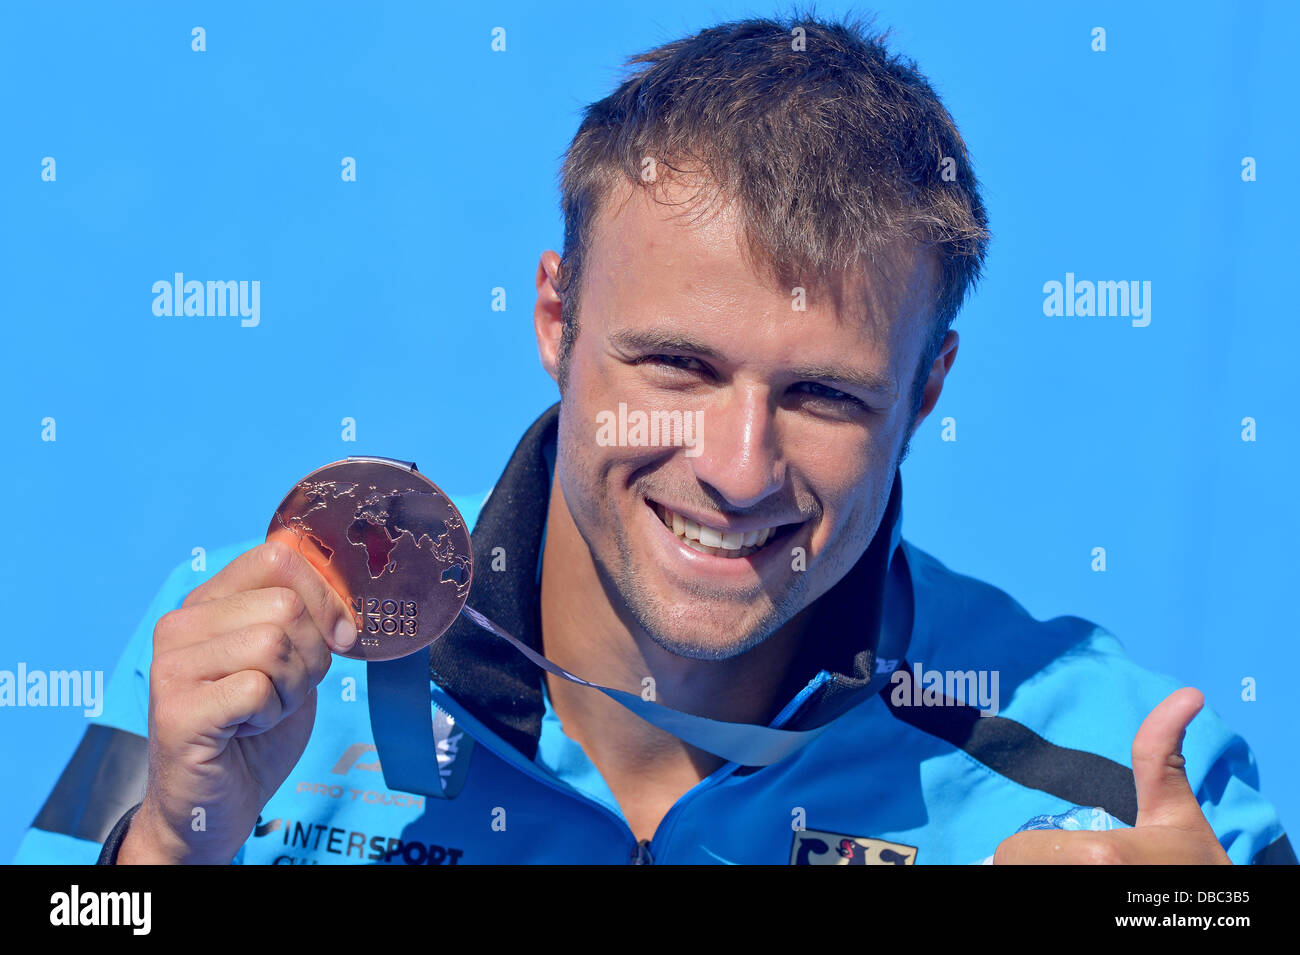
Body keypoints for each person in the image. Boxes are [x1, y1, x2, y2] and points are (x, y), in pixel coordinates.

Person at [16, 13, 1294, 866]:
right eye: (678, 366)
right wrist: (170, 852)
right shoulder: (223, 654)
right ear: (556, 319)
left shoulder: (1133, 788)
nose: (737, 468)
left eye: (826, 397)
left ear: (923, 394)